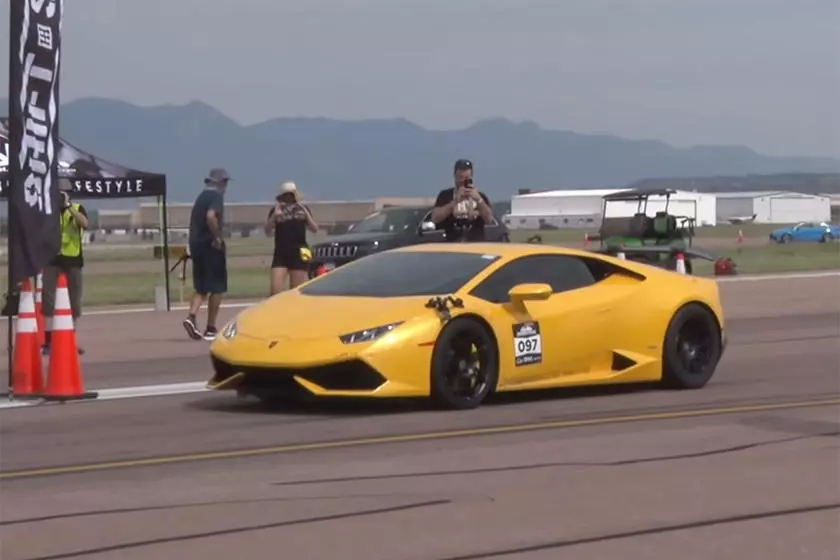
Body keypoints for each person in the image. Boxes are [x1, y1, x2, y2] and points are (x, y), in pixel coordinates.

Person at [42, 178, 89, 355]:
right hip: (51, 260)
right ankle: (48, 342)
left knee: (74, 302)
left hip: (73, 260)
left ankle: (71, 341)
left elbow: (85, 224)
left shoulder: (77, 209)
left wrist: (68, 206)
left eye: (64, 192)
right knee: (48, 302)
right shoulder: (48, 211)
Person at [182, 168, 229, 341]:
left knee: (201, 286)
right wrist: (218, 237)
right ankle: (211, 327)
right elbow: (211, 216)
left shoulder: (200, 197)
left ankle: (191, 317)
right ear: (219, 182)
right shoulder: (216, 197)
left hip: (197, 245)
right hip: (211, 246)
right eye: (225, 182)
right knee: (217, 286)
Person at [264, 181, 319, 294]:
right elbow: (267, 231)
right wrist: (274, 217)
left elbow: (314, 229)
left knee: (296, 289)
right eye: (286, 195)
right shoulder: (276, 210)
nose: (288, 197)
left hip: (299, 251)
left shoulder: (302, 209)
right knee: (275, 288)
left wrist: (306, 214)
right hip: (281, 251)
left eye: (291, 194)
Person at [430, 158, 494, 242]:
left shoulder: (480, 196)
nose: (462, 181)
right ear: (454, 176)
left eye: (466, 178)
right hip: (451, 243)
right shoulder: (445, 195)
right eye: (460, 177)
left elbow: (489, 219)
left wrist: (478, 200)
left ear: (471, 177)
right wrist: (455, 201)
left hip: (476, 243)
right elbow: (435, 218)